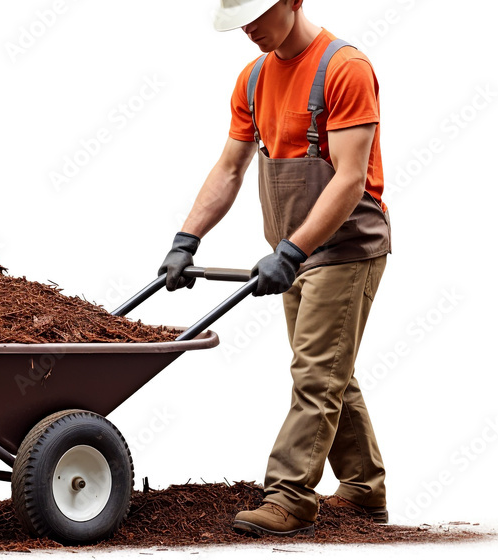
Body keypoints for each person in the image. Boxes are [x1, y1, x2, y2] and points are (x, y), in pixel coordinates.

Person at [158, 0, 393, 537]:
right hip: (294, 250)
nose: (248, 27)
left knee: (315, 373)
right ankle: (363, 488)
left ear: (292, 1)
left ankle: (288, 496)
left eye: (257, 13)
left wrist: (291, 252)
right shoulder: (253, 79)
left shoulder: (344, 69)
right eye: (240, 18)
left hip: (347, 247)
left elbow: (350, 179)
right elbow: (230, 168)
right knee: (329, 371)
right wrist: (186, 239)